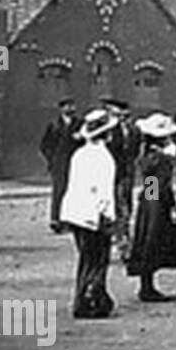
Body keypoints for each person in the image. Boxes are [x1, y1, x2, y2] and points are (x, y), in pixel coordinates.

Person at [60, 109, 119, 319]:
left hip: (77, 211)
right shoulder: (105, 158)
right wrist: (108, 214)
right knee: (97, 258)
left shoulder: (80, 154)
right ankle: (91, 299)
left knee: (87, 257)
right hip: (95, 212)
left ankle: (90, 298)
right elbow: (104, 191)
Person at [126, 114, 176, 301]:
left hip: (152, 202)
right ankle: (146, 287)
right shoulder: (157, 159)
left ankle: (148, 284)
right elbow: (154, 185)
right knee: (151, 243)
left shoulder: (151, 156)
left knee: (151, 242)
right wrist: (160, 205)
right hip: (155, 204)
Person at [102, 96, 139, 264]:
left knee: (125, 208)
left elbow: (151, 182)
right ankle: (122, 243)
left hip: (127, 175)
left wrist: (150, 196)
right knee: (118, 209)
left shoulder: (135, 132)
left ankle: (124, 241)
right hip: (113, 176)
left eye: (126, 116)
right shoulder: (108, 132)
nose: (123, 119)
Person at [40, 96, 81, 232]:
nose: (70, 108)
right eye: (67, 106)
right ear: (61, 109)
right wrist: (52, 159)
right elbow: (45, 145)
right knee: (59, 191)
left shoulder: (80, 124)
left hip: (75, 163)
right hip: (59, 163)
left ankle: (70, 220)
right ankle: (56, 219)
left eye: (72, 105)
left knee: (74, 191)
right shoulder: (54, 125)